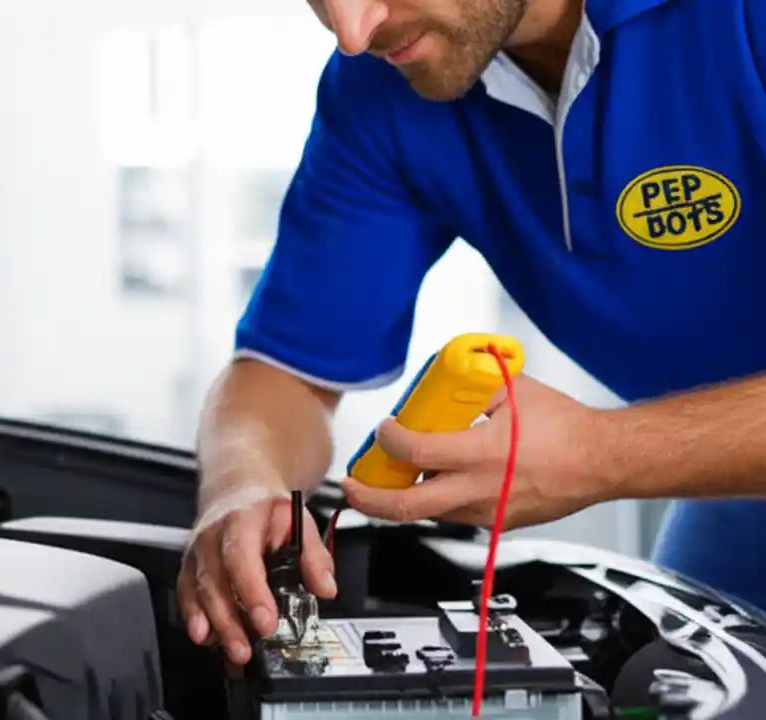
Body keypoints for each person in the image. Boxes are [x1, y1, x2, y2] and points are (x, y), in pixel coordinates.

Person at [178, 0, 766, 667]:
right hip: (729, 494)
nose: (351, 31)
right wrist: (244, 483)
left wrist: (603, 453)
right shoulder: (381, 85)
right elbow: (284, 373)